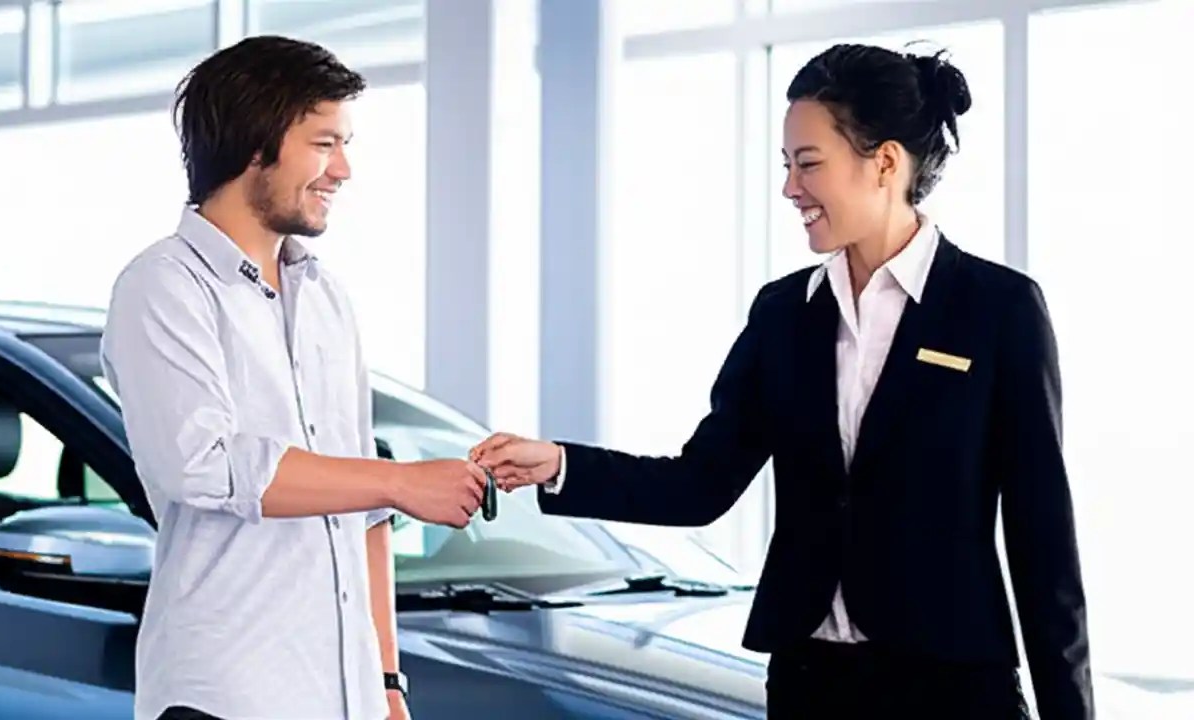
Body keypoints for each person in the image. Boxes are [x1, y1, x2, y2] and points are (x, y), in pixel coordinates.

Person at [472, 43, 1092, 720]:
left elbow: (1043, 544)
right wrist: (559, 465)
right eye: (786, 166)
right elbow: (701, 482)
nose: (790, 189)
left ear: (883, 162)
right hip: (810, 684)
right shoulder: (782, 314)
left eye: (808, 164)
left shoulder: (996, 308)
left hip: (949, 688)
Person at [101, 36, 490, 720]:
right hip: (227, 695)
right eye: (323, 143)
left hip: (345, 697)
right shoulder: (163, 287)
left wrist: (387, 682)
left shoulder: (326, 295)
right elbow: (204, 464)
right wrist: (402, 482)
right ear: (256, 145)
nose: (343, 169)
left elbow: (360, 499)